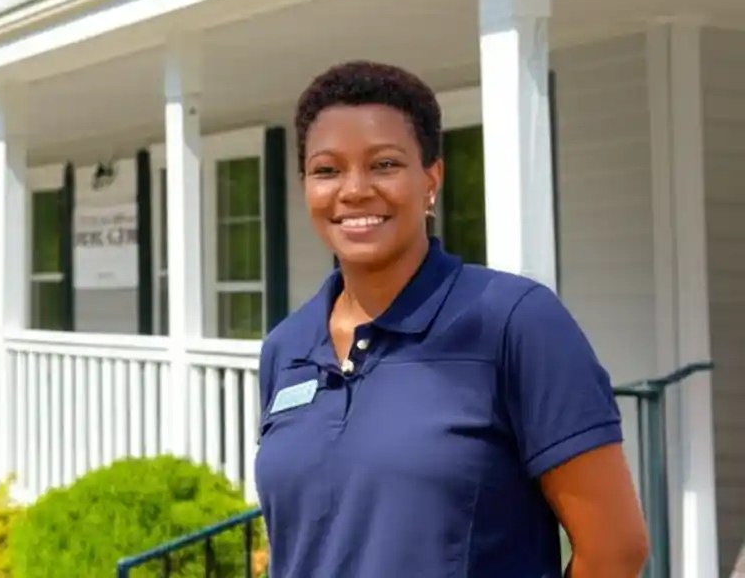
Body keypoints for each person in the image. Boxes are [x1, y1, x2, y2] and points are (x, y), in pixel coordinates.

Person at [254, 61, 650, 577]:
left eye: (385, 164)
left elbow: (614, 549)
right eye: (327, 170)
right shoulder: (287, 348)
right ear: (306, 184)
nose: (354, 190)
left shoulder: (514, 322)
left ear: (431, 178)